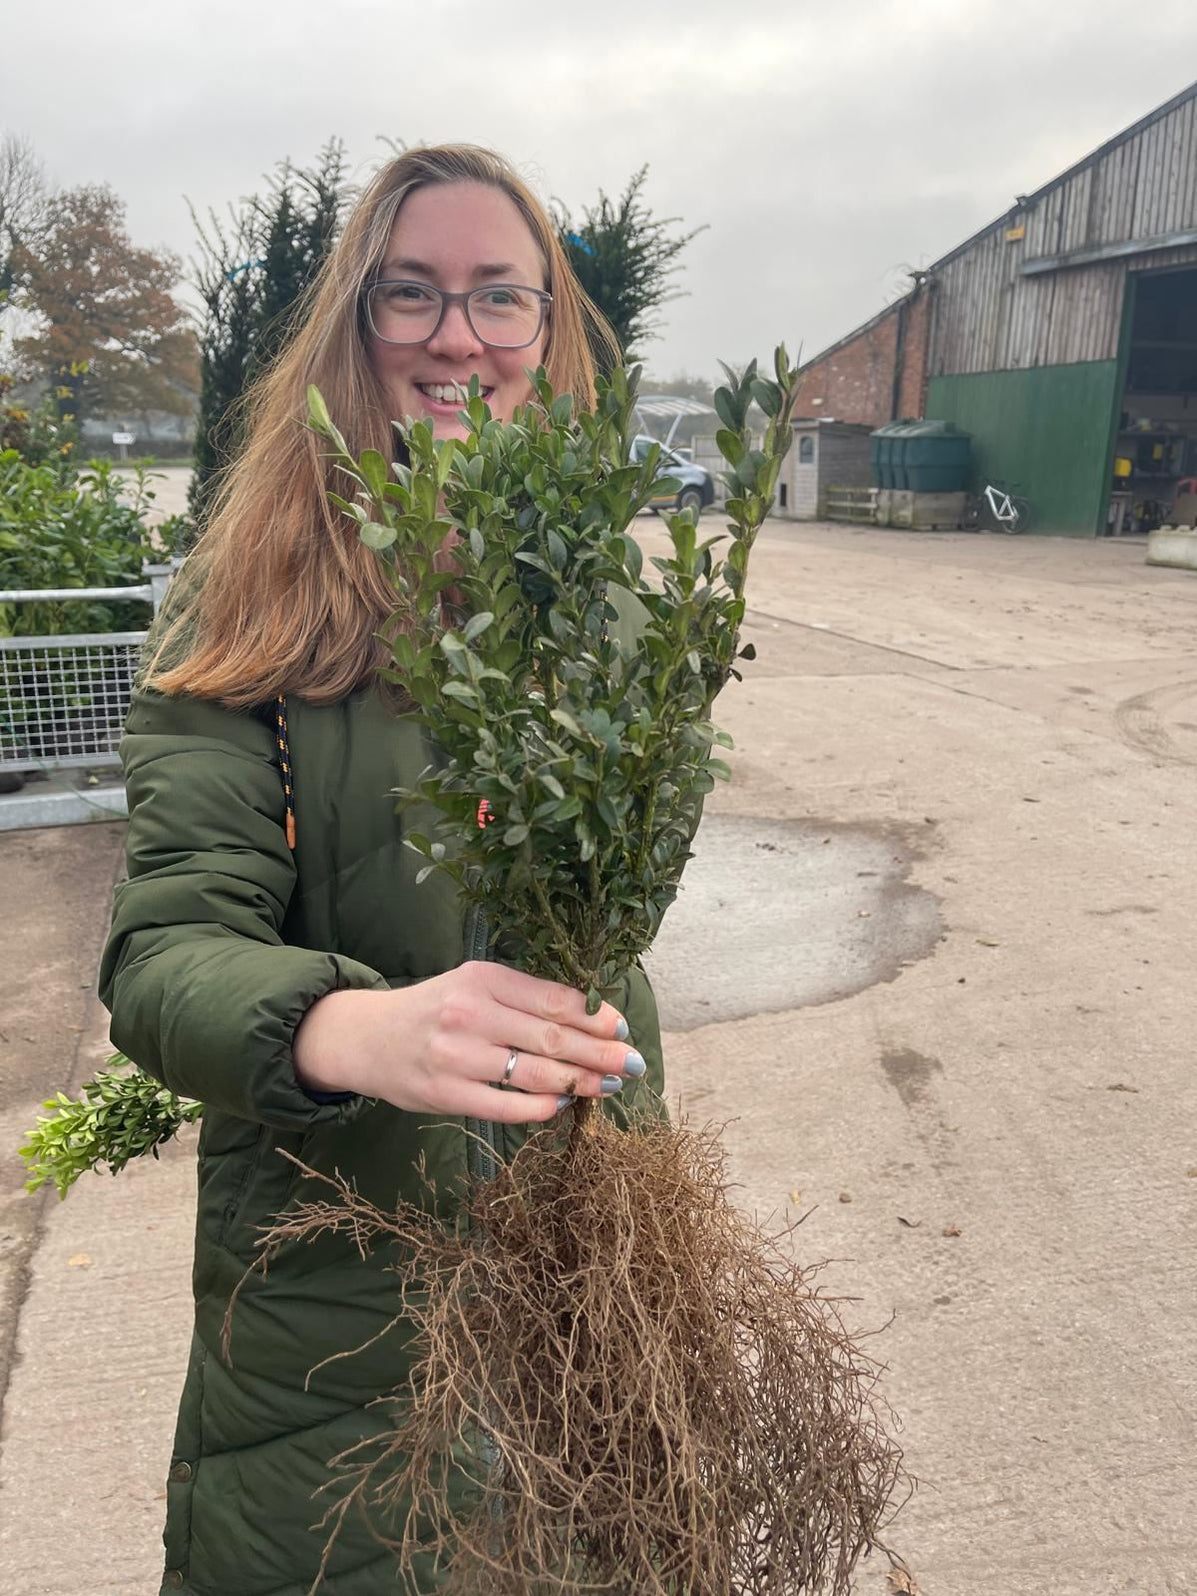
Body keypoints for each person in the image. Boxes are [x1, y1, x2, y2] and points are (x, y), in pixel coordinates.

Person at [99, 144, 667, 1596]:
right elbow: (166, 957)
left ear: (550, 335)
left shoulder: (603, 599)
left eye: (500, 299)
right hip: (333, 1287)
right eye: (407, 294)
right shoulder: (249, 614)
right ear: (352, 327)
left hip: (588, 1238)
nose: (455, 336)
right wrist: (357, 1028)